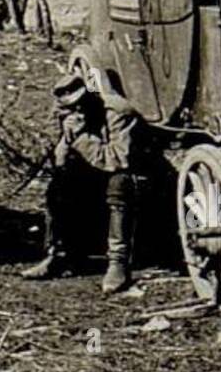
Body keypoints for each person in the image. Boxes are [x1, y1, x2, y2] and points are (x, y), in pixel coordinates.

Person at [22, 71, 140, 294]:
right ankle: (58, 255)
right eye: (71, 106)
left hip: (133, 172)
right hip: (97, 167)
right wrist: (67, 139)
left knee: (119, 184)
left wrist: (81, 138)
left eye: (80, 103)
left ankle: (118, 262)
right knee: (58, 187)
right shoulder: (73, 117)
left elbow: (118, 159)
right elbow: (61, 160)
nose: (77, 109)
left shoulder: (117, 112)